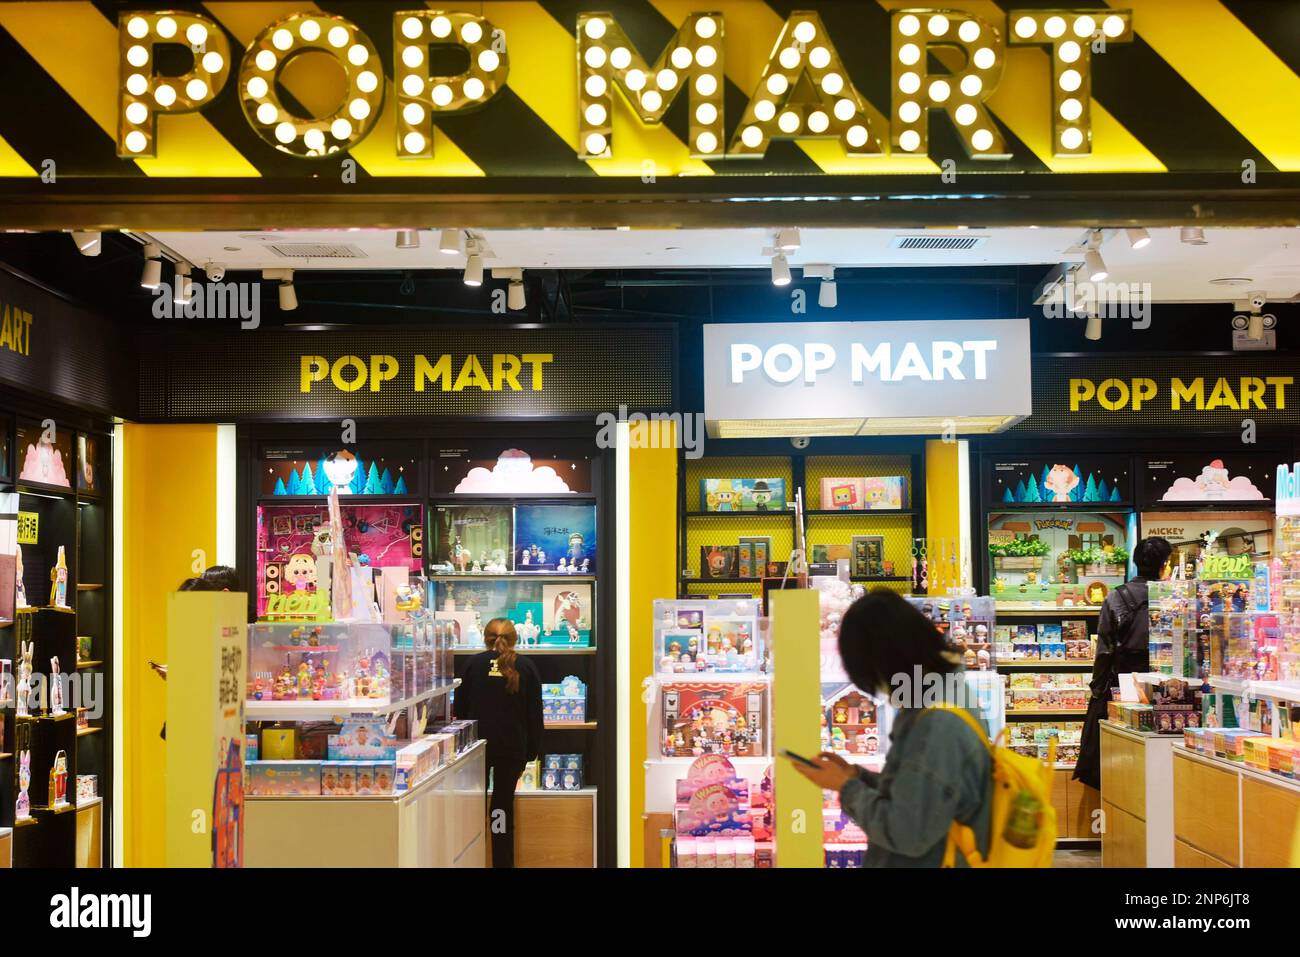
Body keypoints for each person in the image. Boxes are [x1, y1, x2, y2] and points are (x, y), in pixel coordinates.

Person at [790, 589, 993, 867]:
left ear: (886, 661)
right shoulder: (937, 696)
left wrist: (845, 786)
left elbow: (907, 830)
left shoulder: (937, 723)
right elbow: (919, 792)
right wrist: (857, 776)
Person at [1074, 536, 1172, 789]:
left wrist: (1098, 689)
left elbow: (1104, 650)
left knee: (1122, 746)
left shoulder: (1117, 598)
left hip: (1125, 686)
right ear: (1164, 565)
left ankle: (1122, 795)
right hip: (1169, 689)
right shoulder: (1173, 596)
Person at [454, 617, 543, 868]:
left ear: (486, 638)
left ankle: (471, 859)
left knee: (472, 808)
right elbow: (535, 715)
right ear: (514, 639)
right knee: (501, 808)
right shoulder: (526, 667)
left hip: (476, 750)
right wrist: (532, 752)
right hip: (512, 749)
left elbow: (459, 711)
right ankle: (502, 863)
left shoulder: (472, 665)